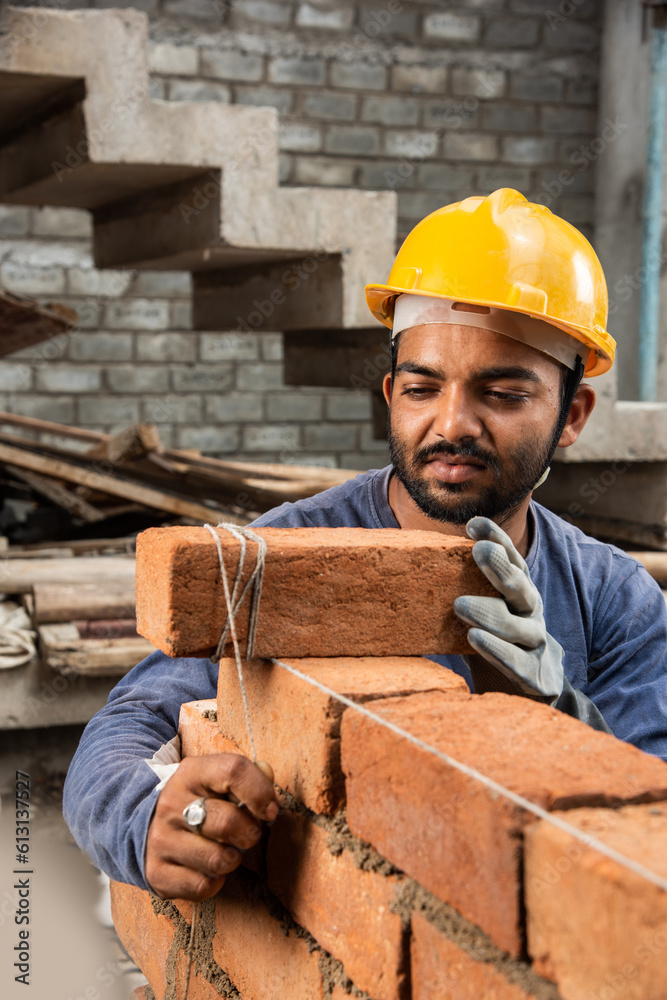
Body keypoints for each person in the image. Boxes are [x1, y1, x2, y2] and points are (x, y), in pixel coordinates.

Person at [63, 188, 667, 904]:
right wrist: (148, 819)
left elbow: (648, 818)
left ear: (571, 414)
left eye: (501, 394)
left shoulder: (613, 597)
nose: (453, 424)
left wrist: (556, 719)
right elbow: (127, 730)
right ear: (390, 392)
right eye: (422, 387)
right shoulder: (286, 554)